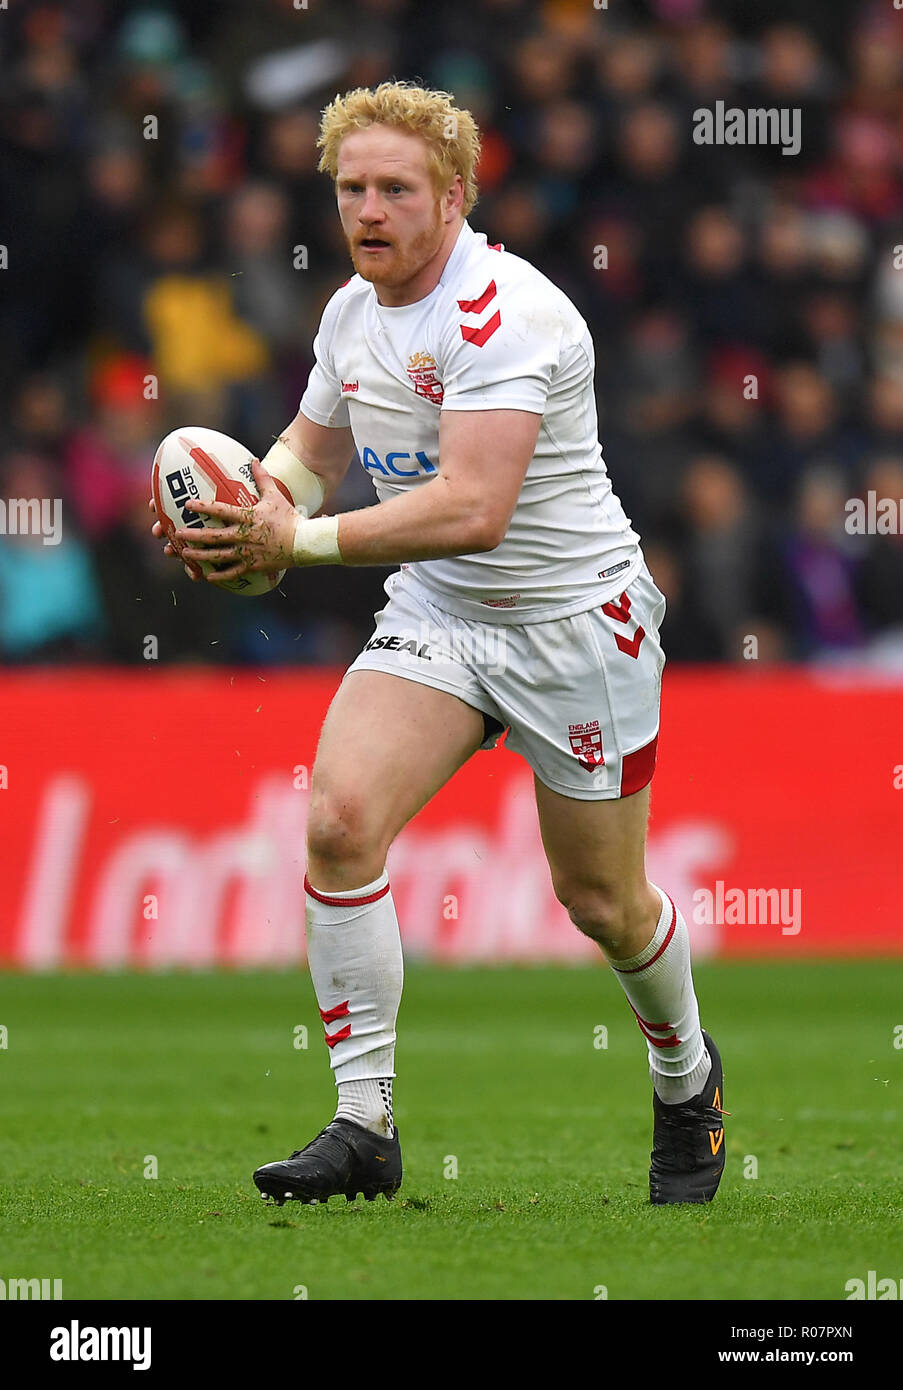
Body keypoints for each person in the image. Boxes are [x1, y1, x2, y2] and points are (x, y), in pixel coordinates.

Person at [152, 81, 725, 1206]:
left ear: (455, 197)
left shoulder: (511, 313)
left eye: (396, 190)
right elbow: (308, 459)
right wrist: (240, 512)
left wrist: (297, 539)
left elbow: (475, 507)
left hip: (575, 625)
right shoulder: (349, 315)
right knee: (338, 822)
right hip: (441, 615)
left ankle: (685, 1076)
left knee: (602, 903)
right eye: (351, 188)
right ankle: (363, 1124)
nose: (368, 210)